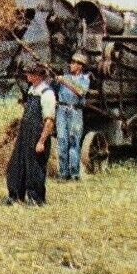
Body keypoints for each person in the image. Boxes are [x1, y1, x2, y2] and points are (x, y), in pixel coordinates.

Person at [6, 60, 56, 206]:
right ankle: (15, 196)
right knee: (16, 165)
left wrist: (41, 141)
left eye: (30, 73)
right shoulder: (32, 90)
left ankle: (36, 199)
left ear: (38, 76)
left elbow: (49, 121)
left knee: (35, 167)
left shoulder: (47, 94)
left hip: (37, 134)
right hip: (25, 133)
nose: (27, 75)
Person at [54, 52, 91, 181]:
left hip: (75, 112)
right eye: (71, 62)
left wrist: (65, 82)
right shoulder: (64, 77)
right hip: (61, 111)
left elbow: (80, 92)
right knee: (62, 141)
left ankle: (74, 174)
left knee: (74, 141)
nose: (71, 65)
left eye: (74, 63)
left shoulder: (85, 79)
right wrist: (56, 80)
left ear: (80, 66)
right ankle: (63, 173)